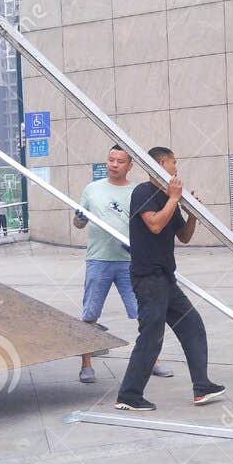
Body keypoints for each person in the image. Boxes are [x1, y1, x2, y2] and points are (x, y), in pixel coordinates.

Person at [115, 147, 223, 410]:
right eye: (174, 163)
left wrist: (193, 213)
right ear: (162, 163)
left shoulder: (168, 197)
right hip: (148, 279)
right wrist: (174, 198)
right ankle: (128, 395)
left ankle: (201, 386)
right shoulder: (143, 192)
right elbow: (154, 224)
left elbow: (183, 236)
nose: (177, 168)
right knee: (151, 337)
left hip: (166, 278)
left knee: (192, 326)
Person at [72, 146, 173, 384]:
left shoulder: (137, 192)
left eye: (119, 161)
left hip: (130, 262)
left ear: (130, 165)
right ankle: (86, 365)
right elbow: (78, 224)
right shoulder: (92, 190)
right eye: (110, 160)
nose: (113, 164)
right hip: (99, 260)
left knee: (145, 314)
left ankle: (152, 361)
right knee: (90, 313)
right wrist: (80, 218)